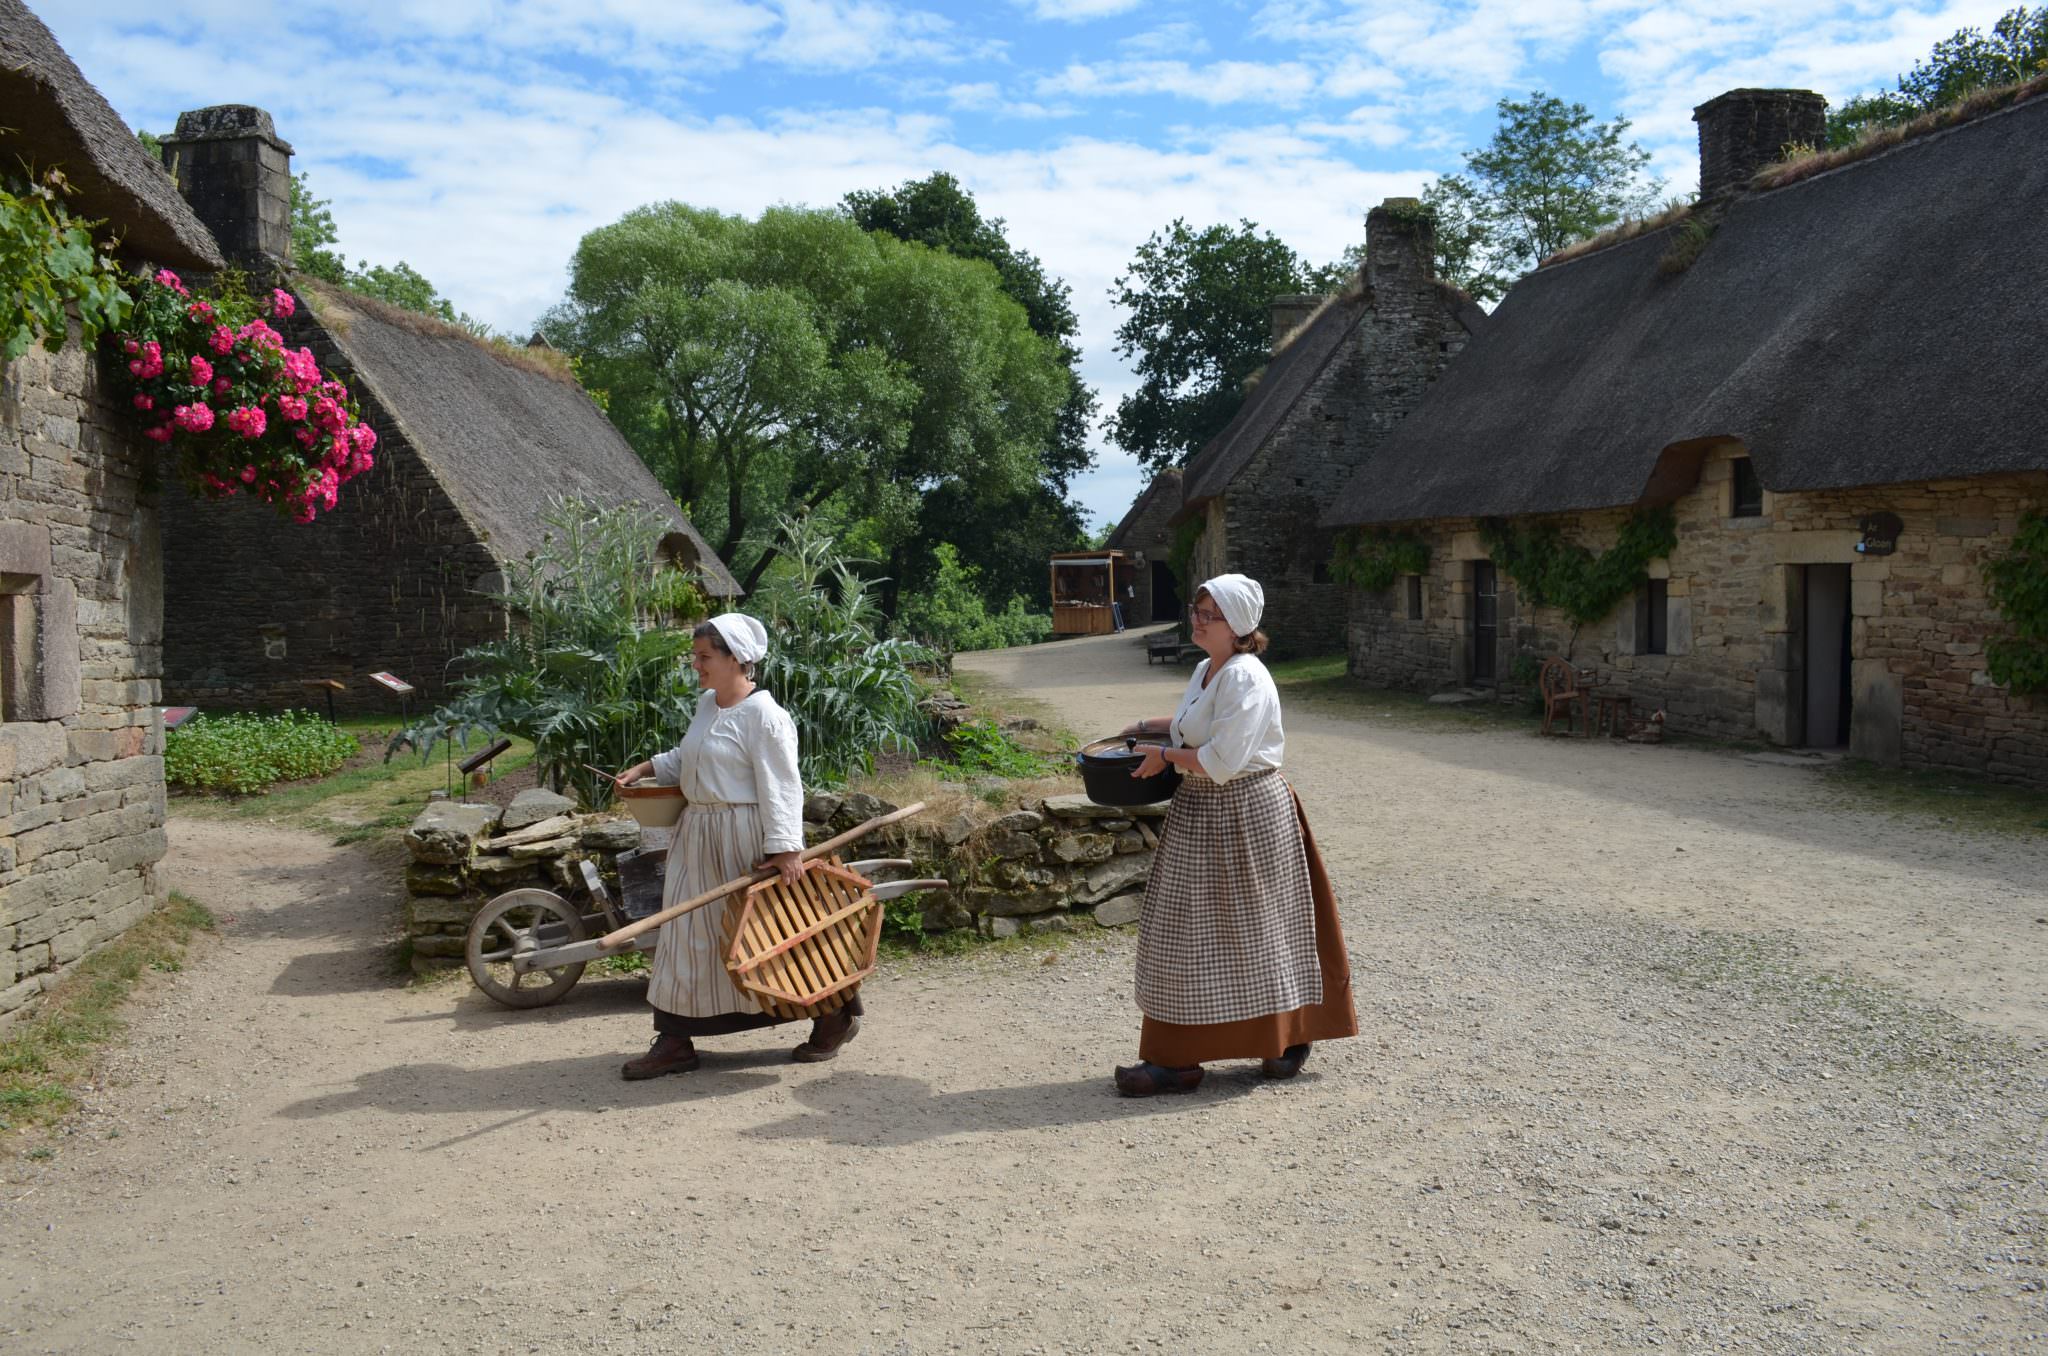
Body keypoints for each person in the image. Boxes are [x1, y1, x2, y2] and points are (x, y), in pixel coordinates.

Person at [1113, 573, 1358, 1096]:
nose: (1197, 621)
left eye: (1209, 615)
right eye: (1196, 610)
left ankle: (1287, 1039)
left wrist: (1163, 757)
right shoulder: (1208, 668)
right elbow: (1190, 726)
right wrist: (1142, 728)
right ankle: (1175, 1058)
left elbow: (1222, 760)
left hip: (1247, 812)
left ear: (1239, 626)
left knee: (1262, 930)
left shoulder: (1247, 677)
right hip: (1202, 812)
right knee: (1184, 935)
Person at [612, 612, 860, 1079]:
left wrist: (786, 848)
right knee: (686, 939)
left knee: (772, 937)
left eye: (704, 657)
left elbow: (783, 786)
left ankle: (833, 1015)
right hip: (697, 838)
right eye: (695, 656)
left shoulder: (766, 717)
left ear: (737, 659)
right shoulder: (709, 704)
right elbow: (691, 756)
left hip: (743, 841)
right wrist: (646, 768)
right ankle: (675, 1040)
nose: (696, 665)